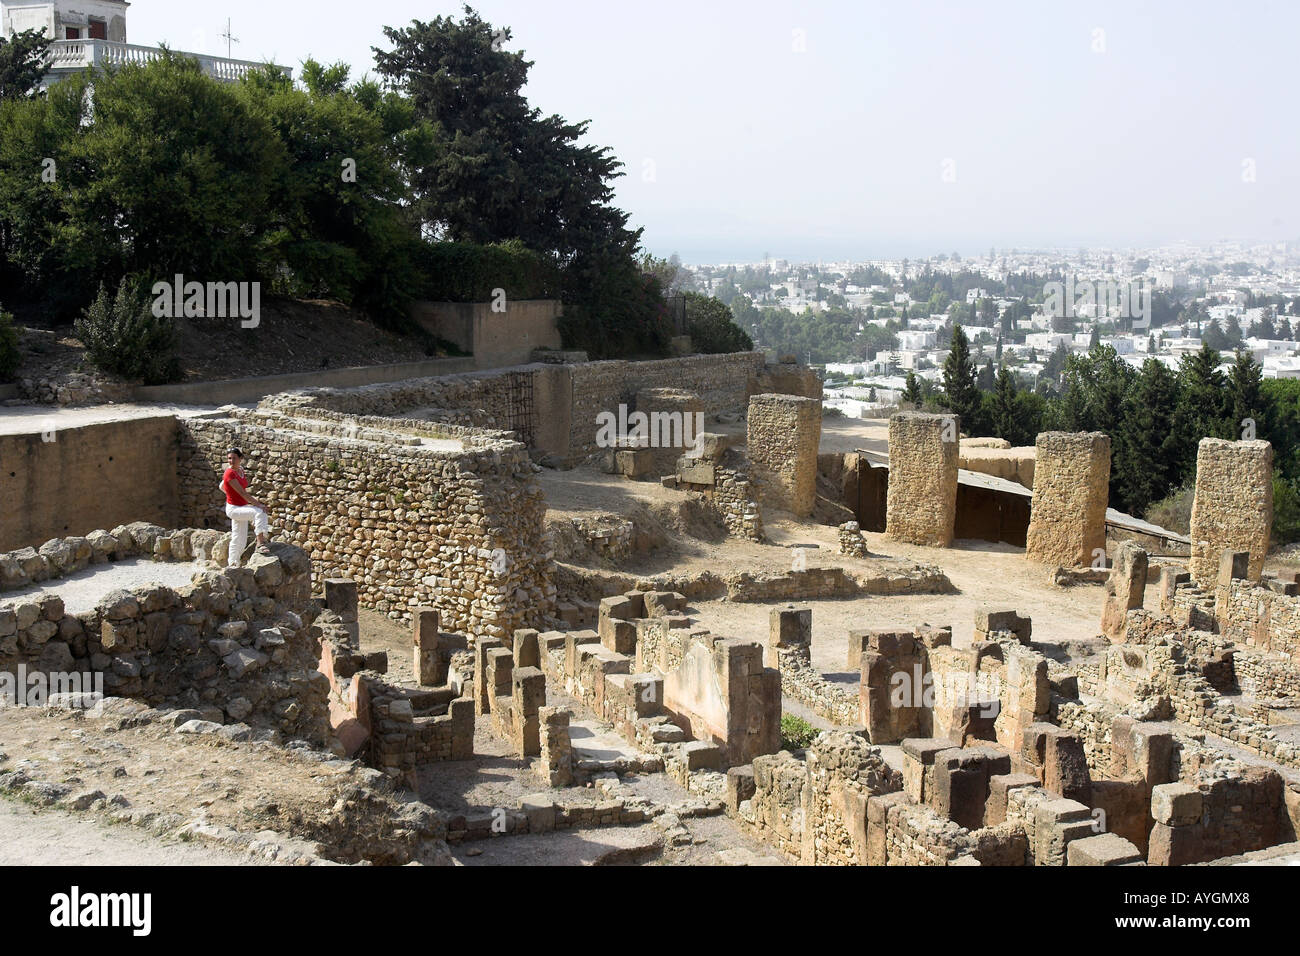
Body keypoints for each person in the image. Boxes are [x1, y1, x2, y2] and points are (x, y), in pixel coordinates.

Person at [221, 447, 271, 566]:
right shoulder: (229, 473)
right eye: (229, 458)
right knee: (259, 512)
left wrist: (230, 493)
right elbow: (243, 493)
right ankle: (260, 542)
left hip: (241, 507)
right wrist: (258, 504)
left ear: (240, 459)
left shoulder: (240, 470)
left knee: (239, 538)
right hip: (234, 509)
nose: (231, 461)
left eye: (234, 458)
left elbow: (221, 486)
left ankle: (233, 563)